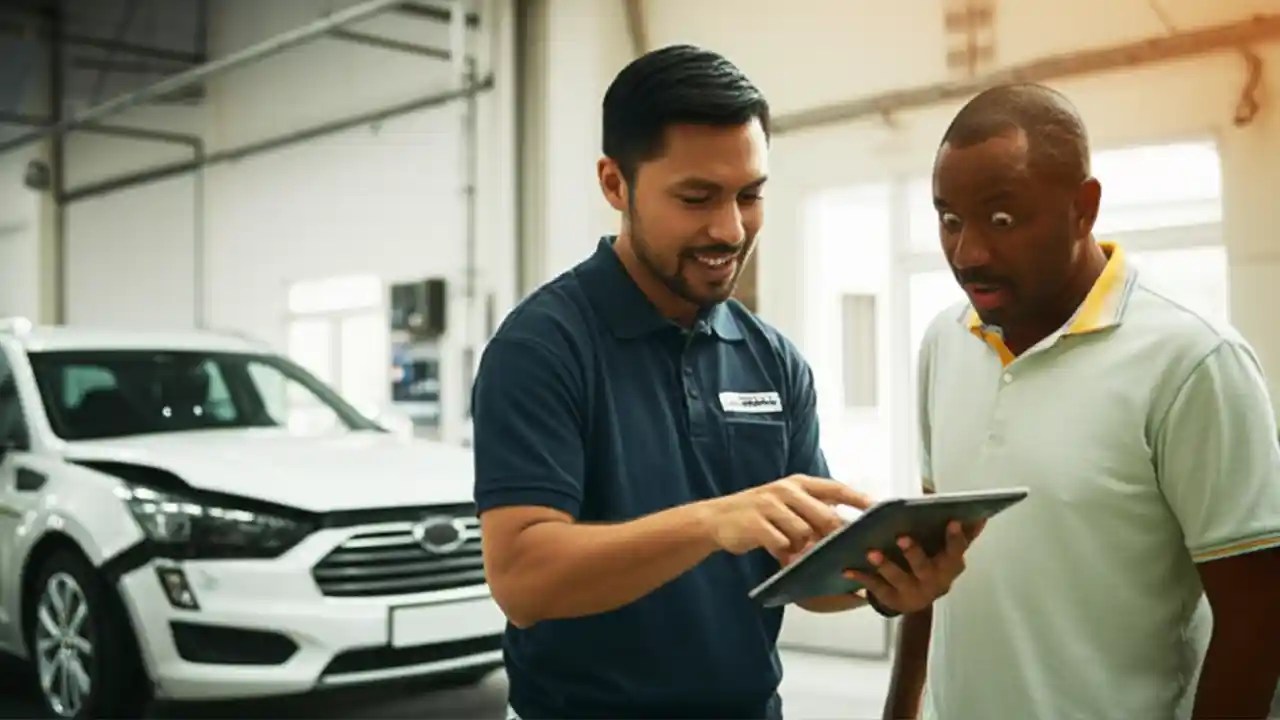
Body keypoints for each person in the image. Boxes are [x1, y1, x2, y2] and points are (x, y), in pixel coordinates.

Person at [471, 44, 980, 720]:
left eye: (750, 194)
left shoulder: (772, 359)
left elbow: (807, 579)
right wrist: (712, 523)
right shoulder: (542, 348)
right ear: (615, 184)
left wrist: (886, 582)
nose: (731, 229)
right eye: (696, 198)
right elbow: (523, 579)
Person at [884, 82, 1280, 720]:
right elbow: (929, 559)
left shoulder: (1193, 361)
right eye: (950, 220)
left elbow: (1258, 616)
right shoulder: (944, 342)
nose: (968, 252)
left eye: (1003, 219)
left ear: (1084, 206)